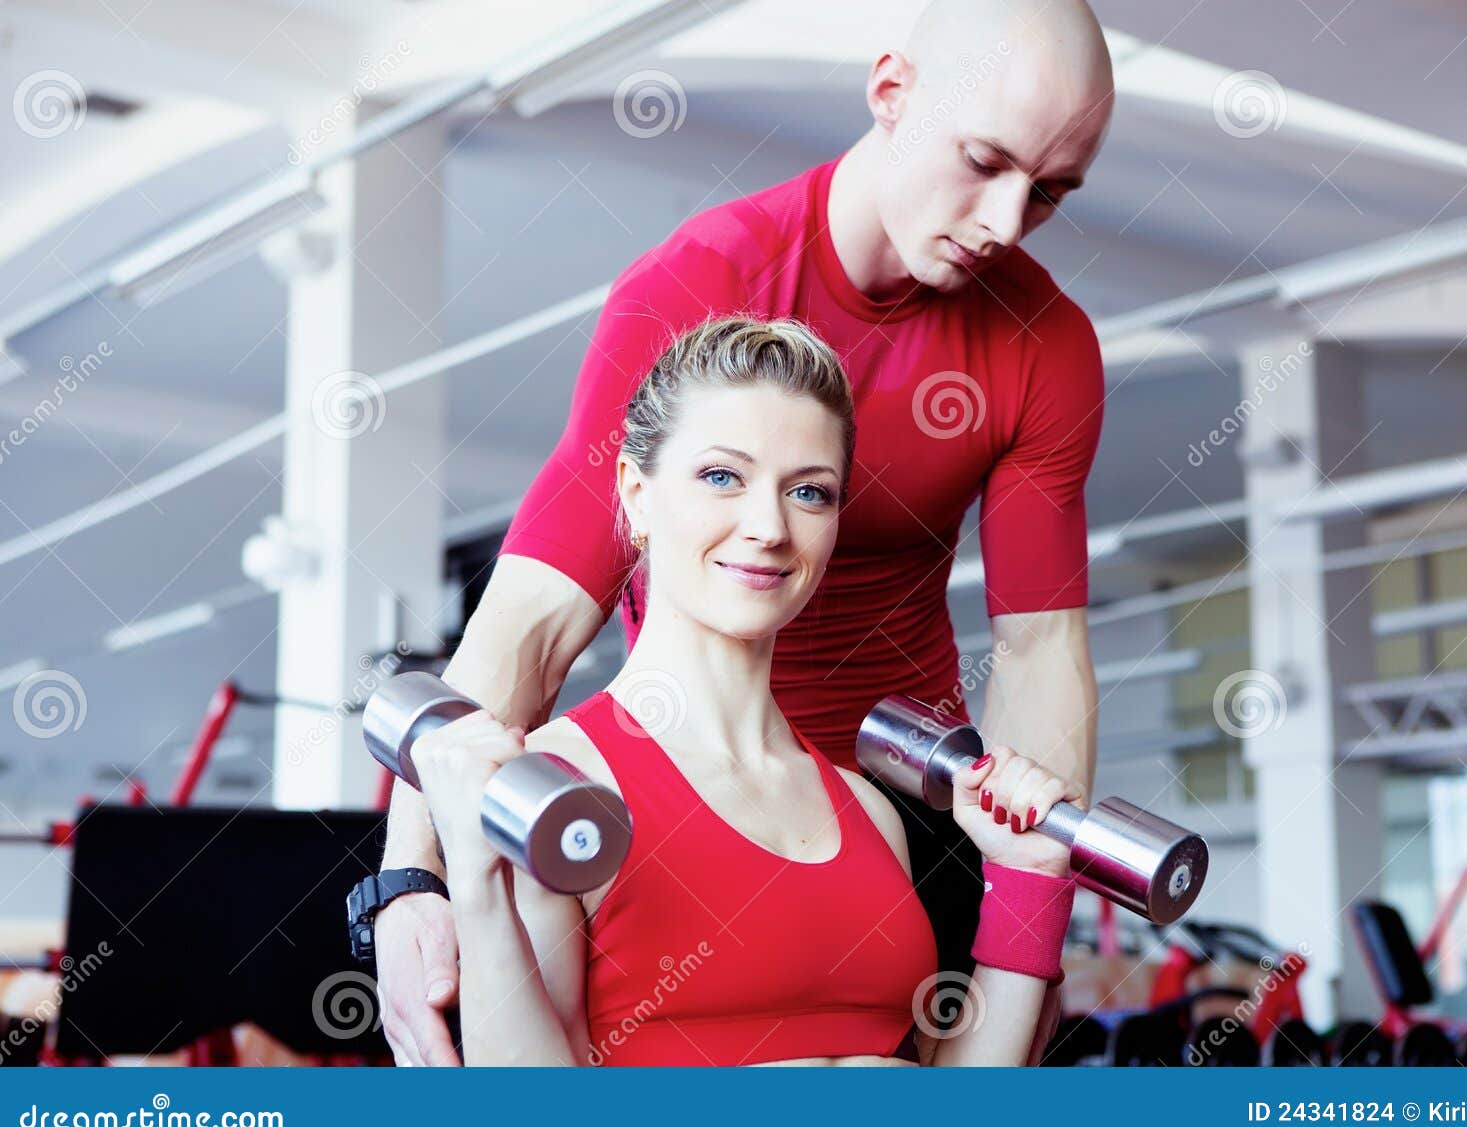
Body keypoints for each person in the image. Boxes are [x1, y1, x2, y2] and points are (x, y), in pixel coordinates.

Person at [376, 0, 1115, 1067]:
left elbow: (1042, 650)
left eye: (1047, 191)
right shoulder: (701, 282)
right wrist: (413, 881)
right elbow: (536, 611)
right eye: (984, 161)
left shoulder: (1044, 343)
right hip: (676, 797)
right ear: (891, 93)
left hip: (897, 812)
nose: (1005, 220)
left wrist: (1032, 877)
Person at [409, 316, 1079, 1065]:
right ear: (636, 492)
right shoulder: (560, 792)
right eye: (722, 476)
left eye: (810, 492)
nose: (768, 526)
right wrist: (472, 880)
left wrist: (1027, 881)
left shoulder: (865, 811)